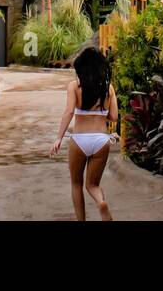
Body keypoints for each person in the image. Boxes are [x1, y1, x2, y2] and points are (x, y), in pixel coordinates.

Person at [50, 46, 119, 221]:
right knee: (93, 185)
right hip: (102, 140)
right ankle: (101, 201)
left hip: (79, 140)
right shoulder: (108, 88)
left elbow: (69, 112)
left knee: (76, 184)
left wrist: (59, 138)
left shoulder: (74, 86)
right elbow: (114, 117)